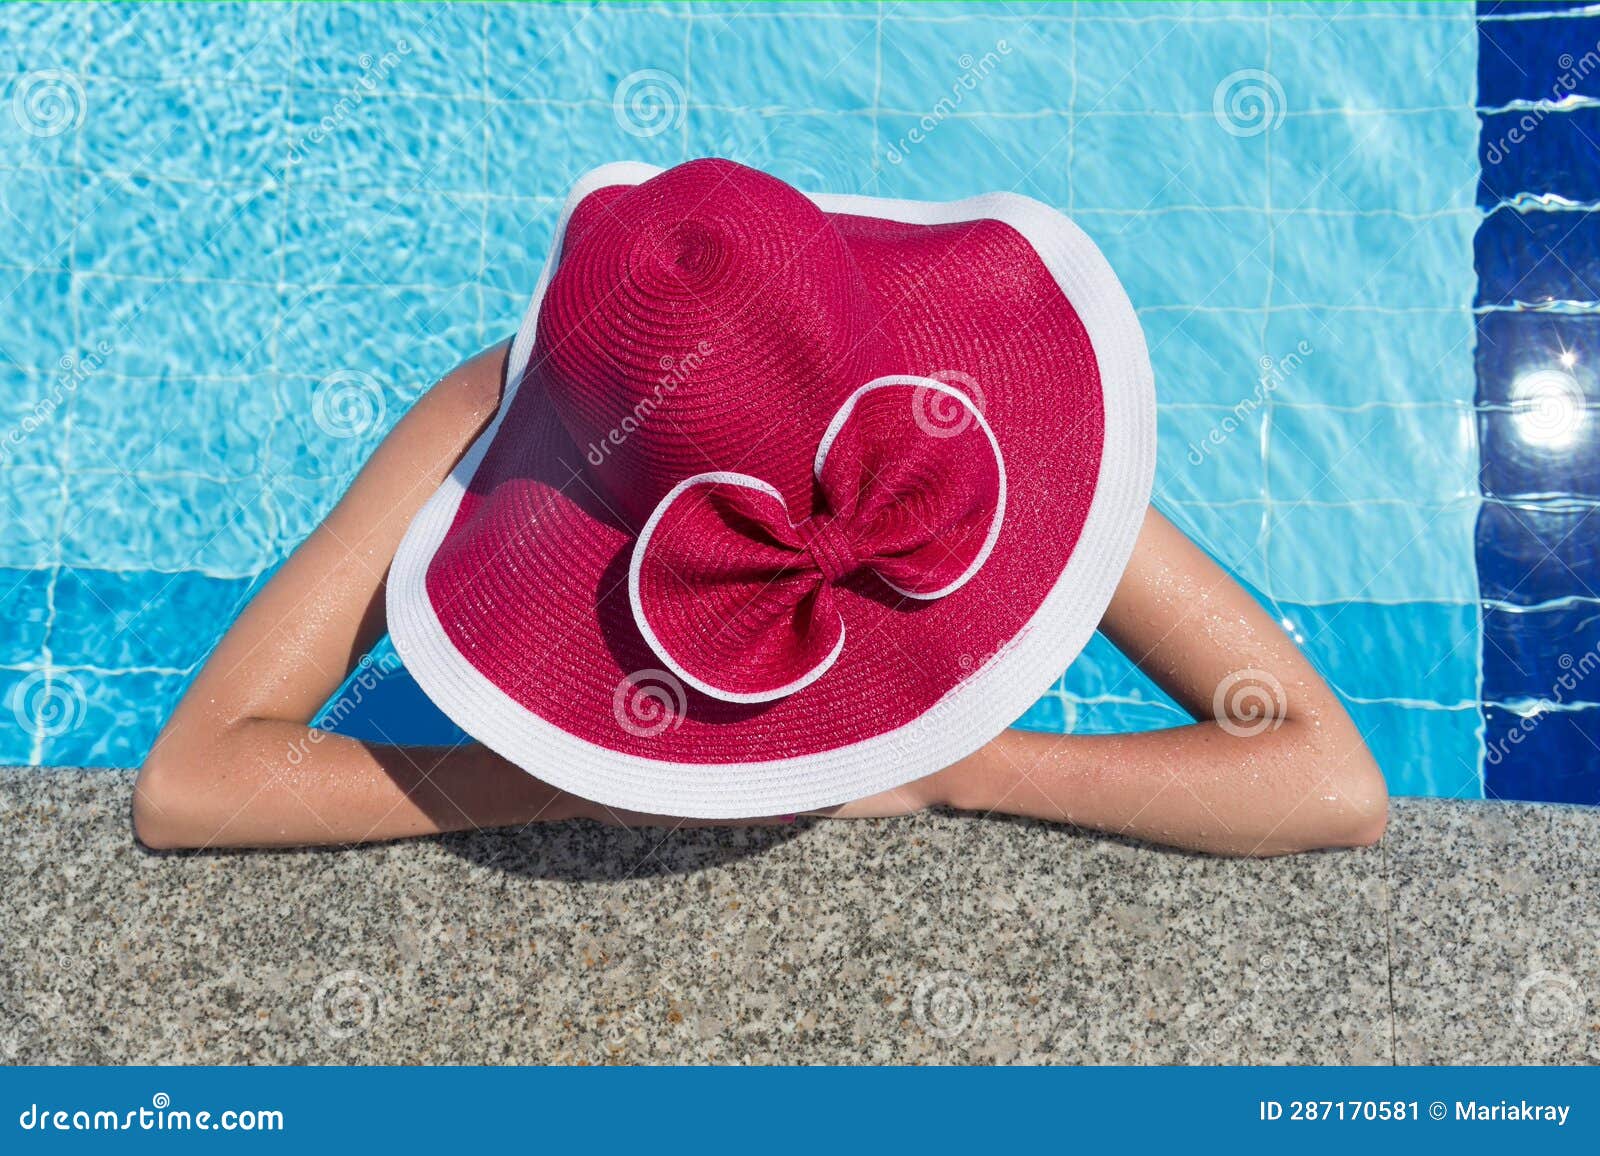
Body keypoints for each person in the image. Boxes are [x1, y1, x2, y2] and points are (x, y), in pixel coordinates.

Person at [132, 160, 1386, 858]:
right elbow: (192, 785)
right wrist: (581, 784)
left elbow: (1327, 779)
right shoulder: (506, 414)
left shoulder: (950, 433)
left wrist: (957, 769)